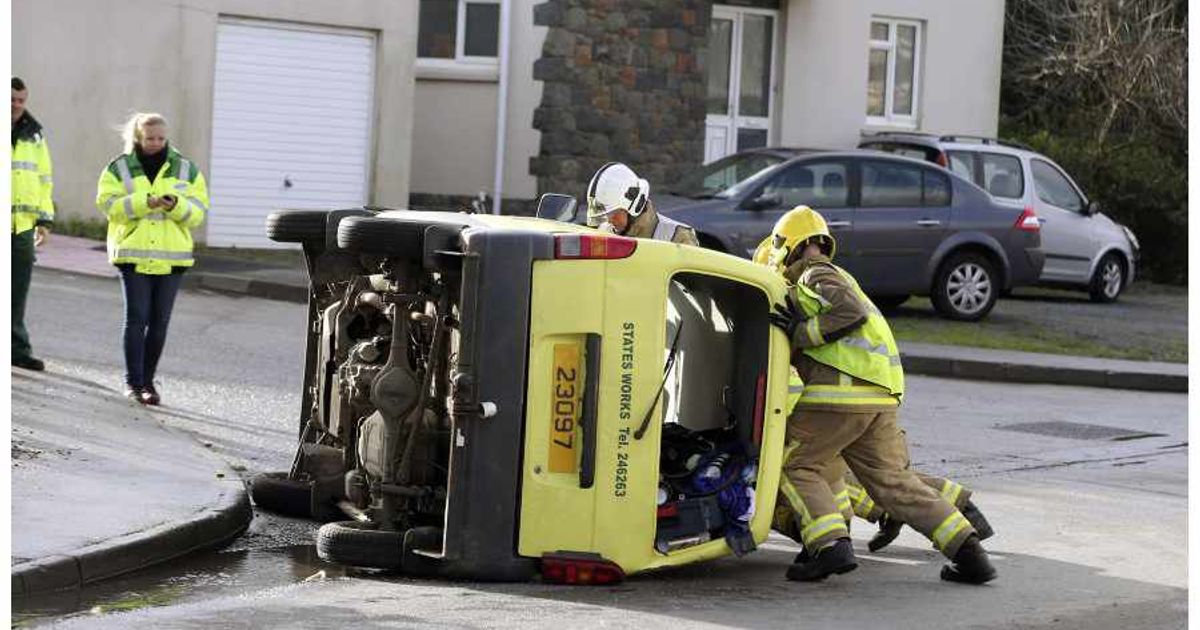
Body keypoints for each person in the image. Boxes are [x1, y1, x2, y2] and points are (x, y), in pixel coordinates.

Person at [766, 206, 996, 584]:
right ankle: (969, 553)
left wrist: (802, 333)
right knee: (892, 482)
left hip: (840, 395)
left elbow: (849, 312)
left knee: (794, 463)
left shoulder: (816, 272)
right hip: (878, 396)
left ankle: (830, 547)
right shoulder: (842, 276)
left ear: (790, 245)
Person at [95, 112, 208, 405]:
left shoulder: (187, 169)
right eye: (150, 138)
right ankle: (133, 383)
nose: (156, 143)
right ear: (138, 137)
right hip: (132, 255)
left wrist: (175, 205)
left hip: (172, 258)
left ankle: (148, 383)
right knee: (136, 319)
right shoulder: (118, 168)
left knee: (159, 323)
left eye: (160, 138)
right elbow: (109, 206)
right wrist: (145, 203)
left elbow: (197, 213)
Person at [11, 77, 54, 371]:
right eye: (11, 99)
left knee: (16, 290)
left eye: (20, 100)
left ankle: (16, 349)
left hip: (22, 226)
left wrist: (44, 220)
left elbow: (44, 179)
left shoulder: (34, 135)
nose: (15, 105)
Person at [585, 162, 698, 246]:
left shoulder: (679, 236)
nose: (609, 220)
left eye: (613, 213)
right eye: (604, 214)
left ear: (634, 206)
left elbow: (691, 278)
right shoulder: (604, 232)